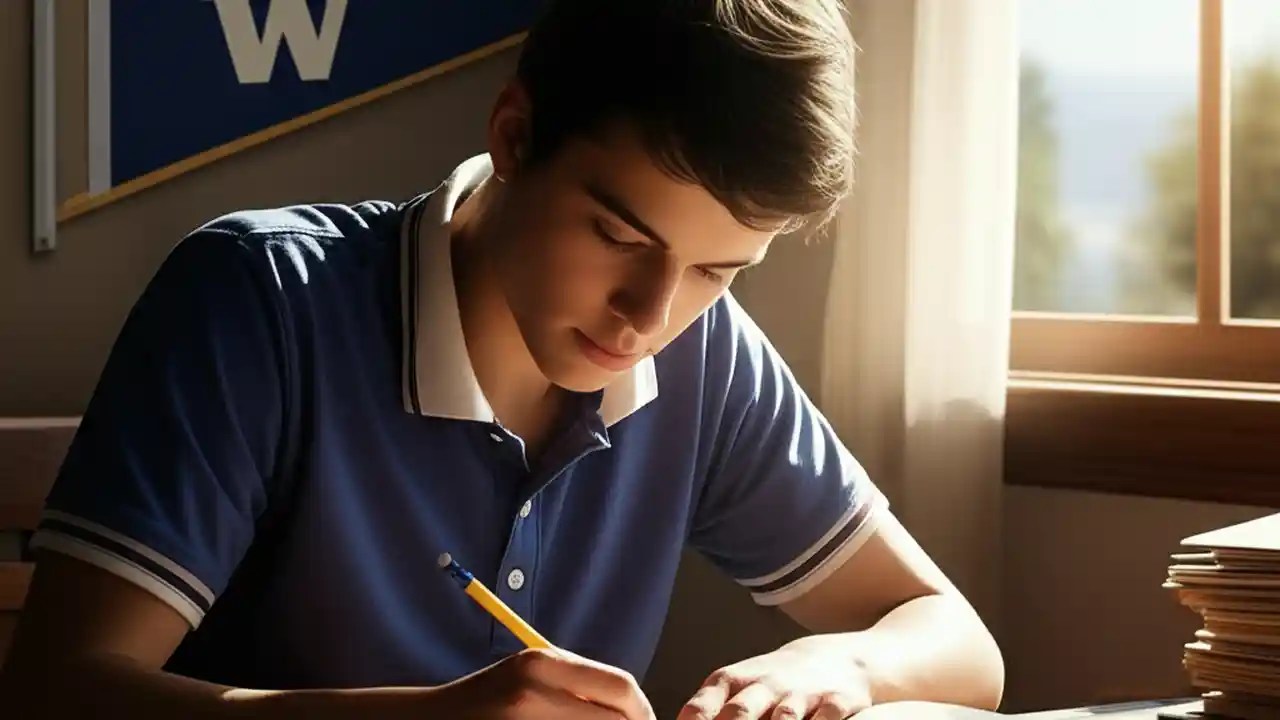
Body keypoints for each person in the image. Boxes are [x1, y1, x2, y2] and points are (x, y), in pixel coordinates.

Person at [0, 1, 1004, 718]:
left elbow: (951, 639)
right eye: (619, 234)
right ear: (515, 135)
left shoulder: (706, 354)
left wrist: (846, 668)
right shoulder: (261, 301)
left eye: (716, 270)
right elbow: (58, 691)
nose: (650, 314)